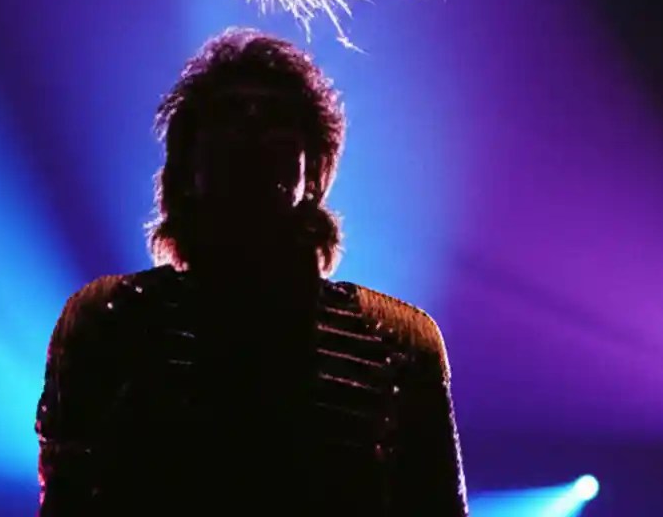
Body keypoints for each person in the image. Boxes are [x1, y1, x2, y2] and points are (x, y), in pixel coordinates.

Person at [35, 29, 467, 516]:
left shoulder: (400, 343)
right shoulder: (106, 319)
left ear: (313, 171)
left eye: (277, 116)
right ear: (187, 166)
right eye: (227, 114)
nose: (252, 128)